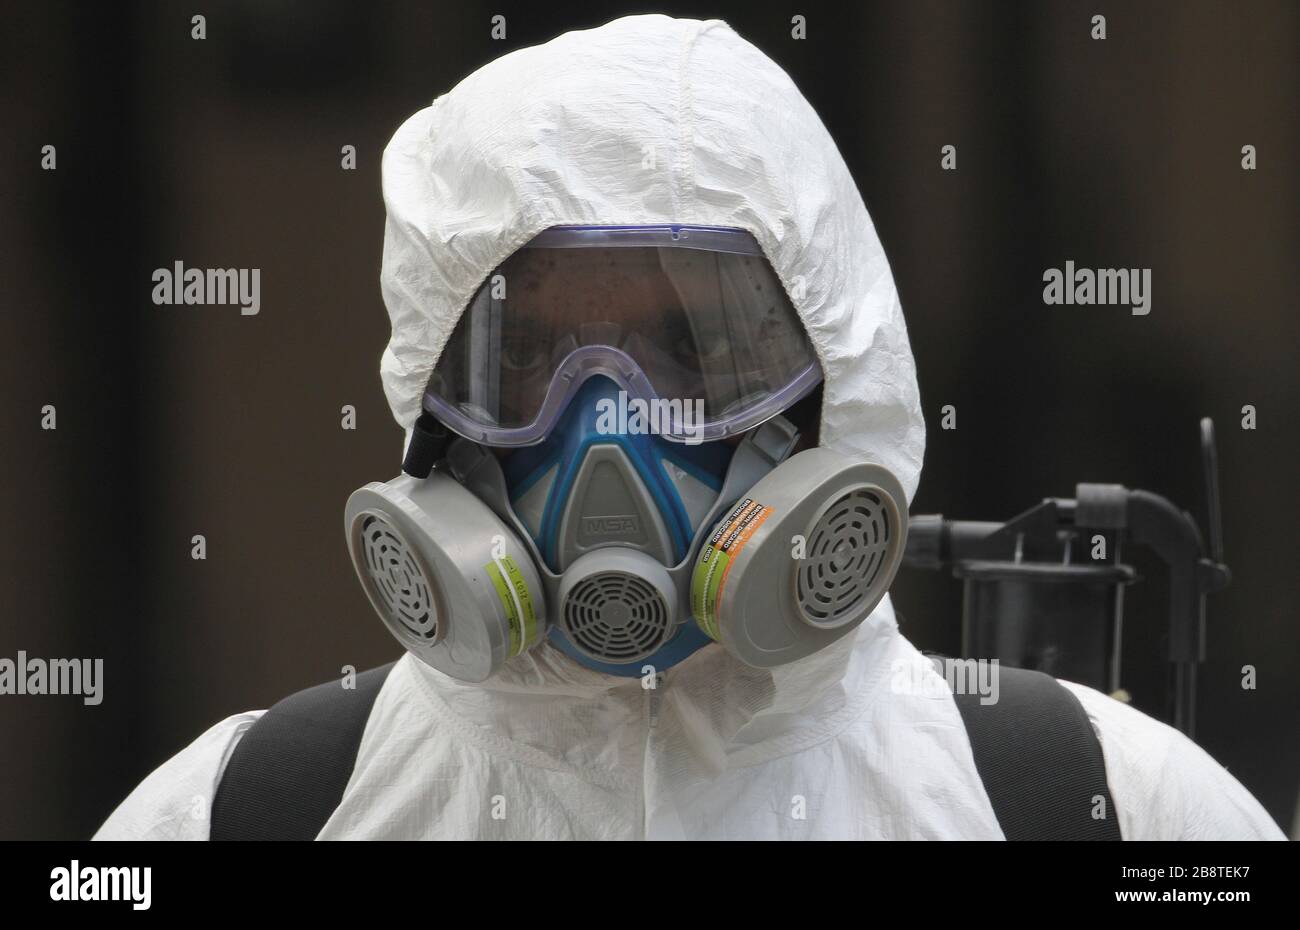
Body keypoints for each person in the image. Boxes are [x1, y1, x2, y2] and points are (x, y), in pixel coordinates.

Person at [95, 14, 1282, 841]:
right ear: (432, 409)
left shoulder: (1103, 813)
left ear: (833, 377)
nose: (608, 423)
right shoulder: (237, 818)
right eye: (529, 357)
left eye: (692, 350)